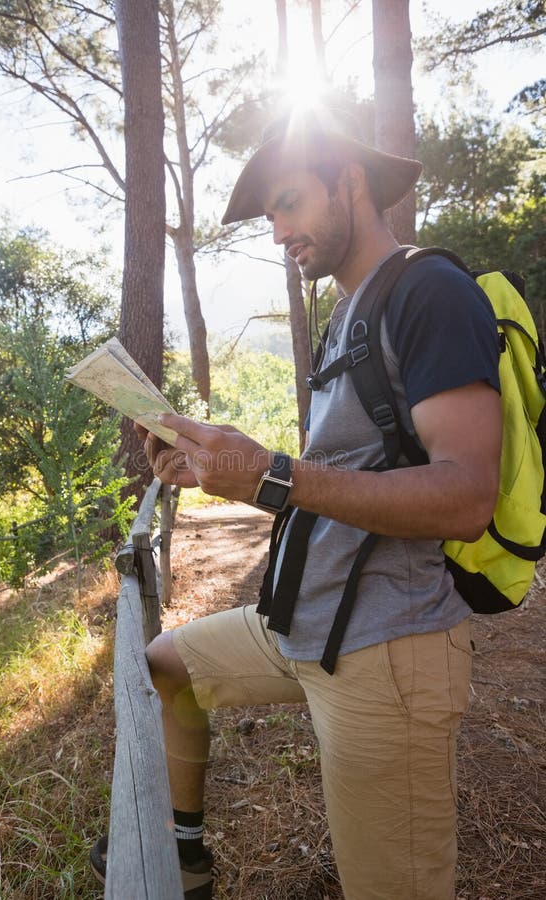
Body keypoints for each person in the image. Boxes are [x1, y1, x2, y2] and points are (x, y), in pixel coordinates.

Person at [141, 107, 503, 900]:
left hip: (389, 652)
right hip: (305, 623)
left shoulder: (430, 292)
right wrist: (224, 454)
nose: (276, 231)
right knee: (169, 665)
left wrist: (275, 475)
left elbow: (466, 496)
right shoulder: (348, 315)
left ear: (350, 183)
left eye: (290, 203)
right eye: (269, 214)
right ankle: (189, 856)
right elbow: (345, 477)